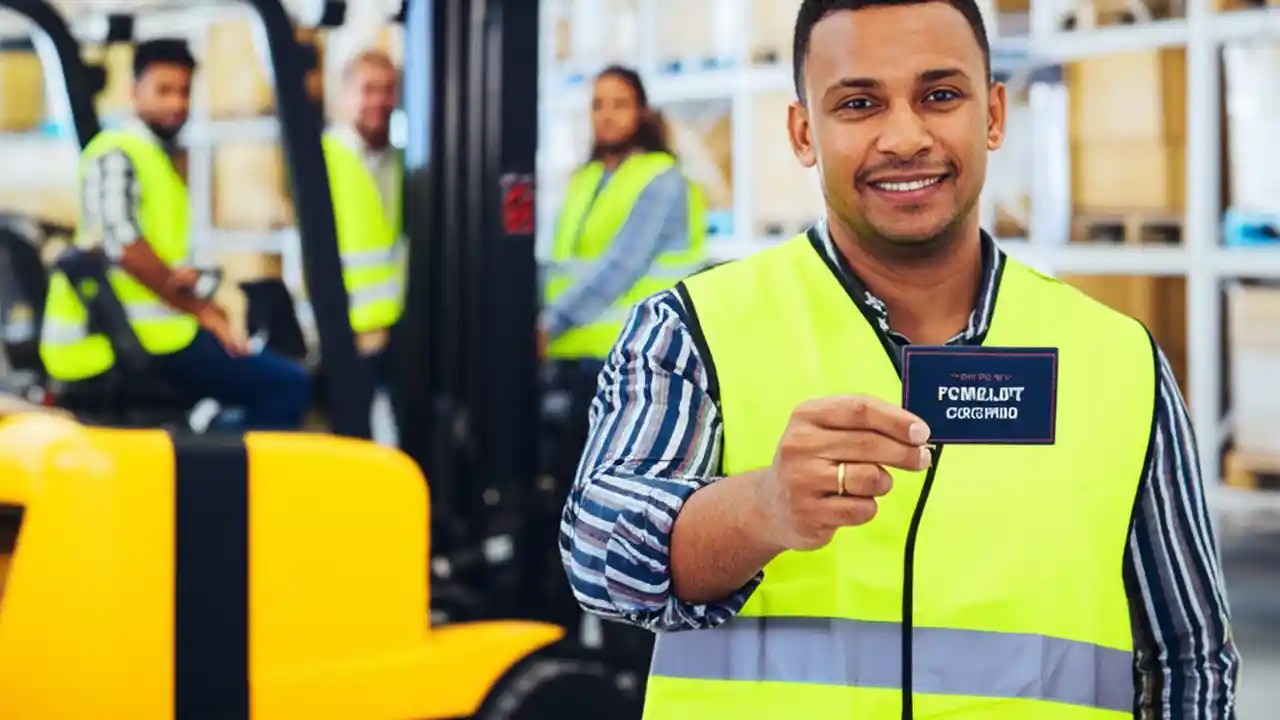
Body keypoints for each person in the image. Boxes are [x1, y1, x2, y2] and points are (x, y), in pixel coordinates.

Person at [558, 1, 1240, 718]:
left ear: (995, 115)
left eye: (940, 96)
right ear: (803, 132)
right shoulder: (691, 330)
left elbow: (1187, 659)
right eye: (858, 103)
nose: (905, 137)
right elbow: (600, 557)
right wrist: (762, 508)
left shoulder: (1117, 360)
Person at [39, 39, 310, 430]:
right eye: (163, 91)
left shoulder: (158, 161)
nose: (176, 104)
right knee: (288, 385)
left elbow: (159, 251)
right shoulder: (116, 152)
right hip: (126, 343)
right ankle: (217, 469)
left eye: (184, 92)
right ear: (134, 93)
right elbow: (124, 245)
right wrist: (201, 310)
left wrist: (200, 284)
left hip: (154, 333)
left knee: (266, 371)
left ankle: (208, 446)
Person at [324, 49, 404, 374]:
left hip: (398, 328)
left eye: (387, 90)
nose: (379, 101)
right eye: (368, 89)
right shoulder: (327, 158)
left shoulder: (401, 161)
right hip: (348, 329)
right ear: (345, 96)